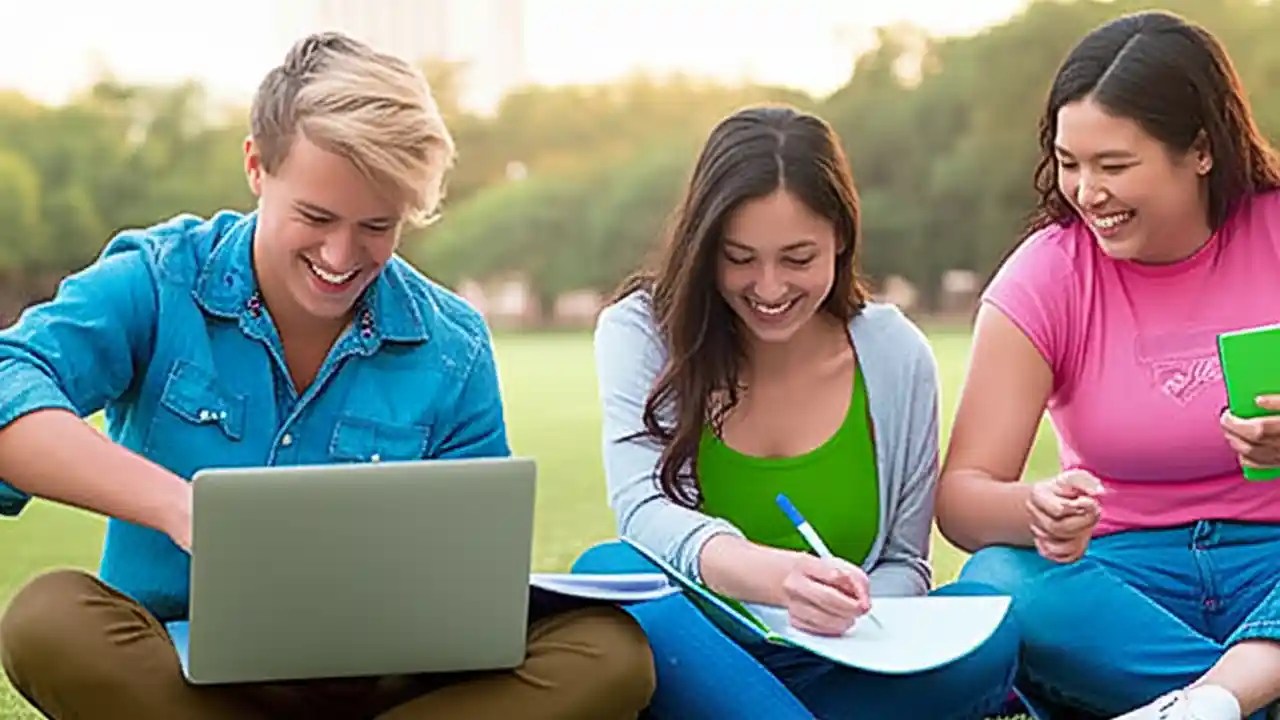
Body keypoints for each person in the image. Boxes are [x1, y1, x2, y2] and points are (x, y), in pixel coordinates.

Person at [0, 32, 654, 720]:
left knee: (609, 652)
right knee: (48, 619)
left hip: (388, 683)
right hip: (176, 670)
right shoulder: (160, 281)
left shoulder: (452, 344)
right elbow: (9, 382)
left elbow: (472, 578)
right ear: (257, 166)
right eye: (315, 217)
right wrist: (181, 507)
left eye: (378, 225)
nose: (342, 255)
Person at [586, 104, 1020, 719]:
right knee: (612, 572)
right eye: (739, 258)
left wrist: (849, 602)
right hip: (705, 643)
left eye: (797, 259)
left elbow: (904, 563)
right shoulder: (640, 333)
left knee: (991, 618)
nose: (767, 288)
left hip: (846, 654)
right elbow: (642, 513)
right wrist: (774, 579)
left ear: (840, 238)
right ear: (705, 245)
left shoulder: (895, 355)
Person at [938, 10, 1280, 720]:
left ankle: (1211, 702)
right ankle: (1237, 696)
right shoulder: (1046, 277)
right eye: (1070, 163)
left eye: (1115, 165)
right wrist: (1033, 509)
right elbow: (962, 500)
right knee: (998, 581)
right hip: (1122, 584)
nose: (1087, 192)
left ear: (1201, 150)